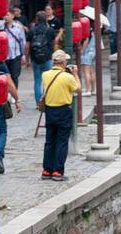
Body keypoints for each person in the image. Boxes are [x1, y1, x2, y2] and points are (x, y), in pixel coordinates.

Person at [40, 48, 80, 182]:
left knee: (49, 141)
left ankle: (47, 170)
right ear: (63, 62)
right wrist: (75, 74)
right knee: (62, 142)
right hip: (63, 111)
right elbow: (77, 88)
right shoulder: (68, 77)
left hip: (50, 111)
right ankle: (58, 171)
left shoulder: (45, 75)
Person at [28, 10, 56, 103]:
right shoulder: (50, 30)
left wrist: (27, 58)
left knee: (37, 80)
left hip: (35, 58)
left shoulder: (32, 30)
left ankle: (38, 102)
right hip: (47, 57)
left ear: (37, 19)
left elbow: (27, 45)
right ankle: (46, 101)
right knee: (47, 80)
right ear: (46, 19)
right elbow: (54, 43)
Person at [4, 8, 27, 87]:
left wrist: (23, 55)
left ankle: (14, 96)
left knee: (14, 76)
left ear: (12, 16)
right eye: (4, 15)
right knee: (5, 77)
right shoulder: (0, 27)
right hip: (4, 56)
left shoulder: (18, 27)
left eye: (7, 15)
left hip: (16, 55)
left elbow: (22, 41)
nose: (5, 17)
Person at [80, 23, 96, 96]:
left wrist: (82, 51)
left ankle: (87, 90)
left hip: (88, 52)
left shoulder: (88, 31)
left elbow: (86, 41)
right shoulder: (95, 31)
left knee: (86, 71)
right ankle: (93, 89)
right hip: (94, 52)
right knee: (92, 72)